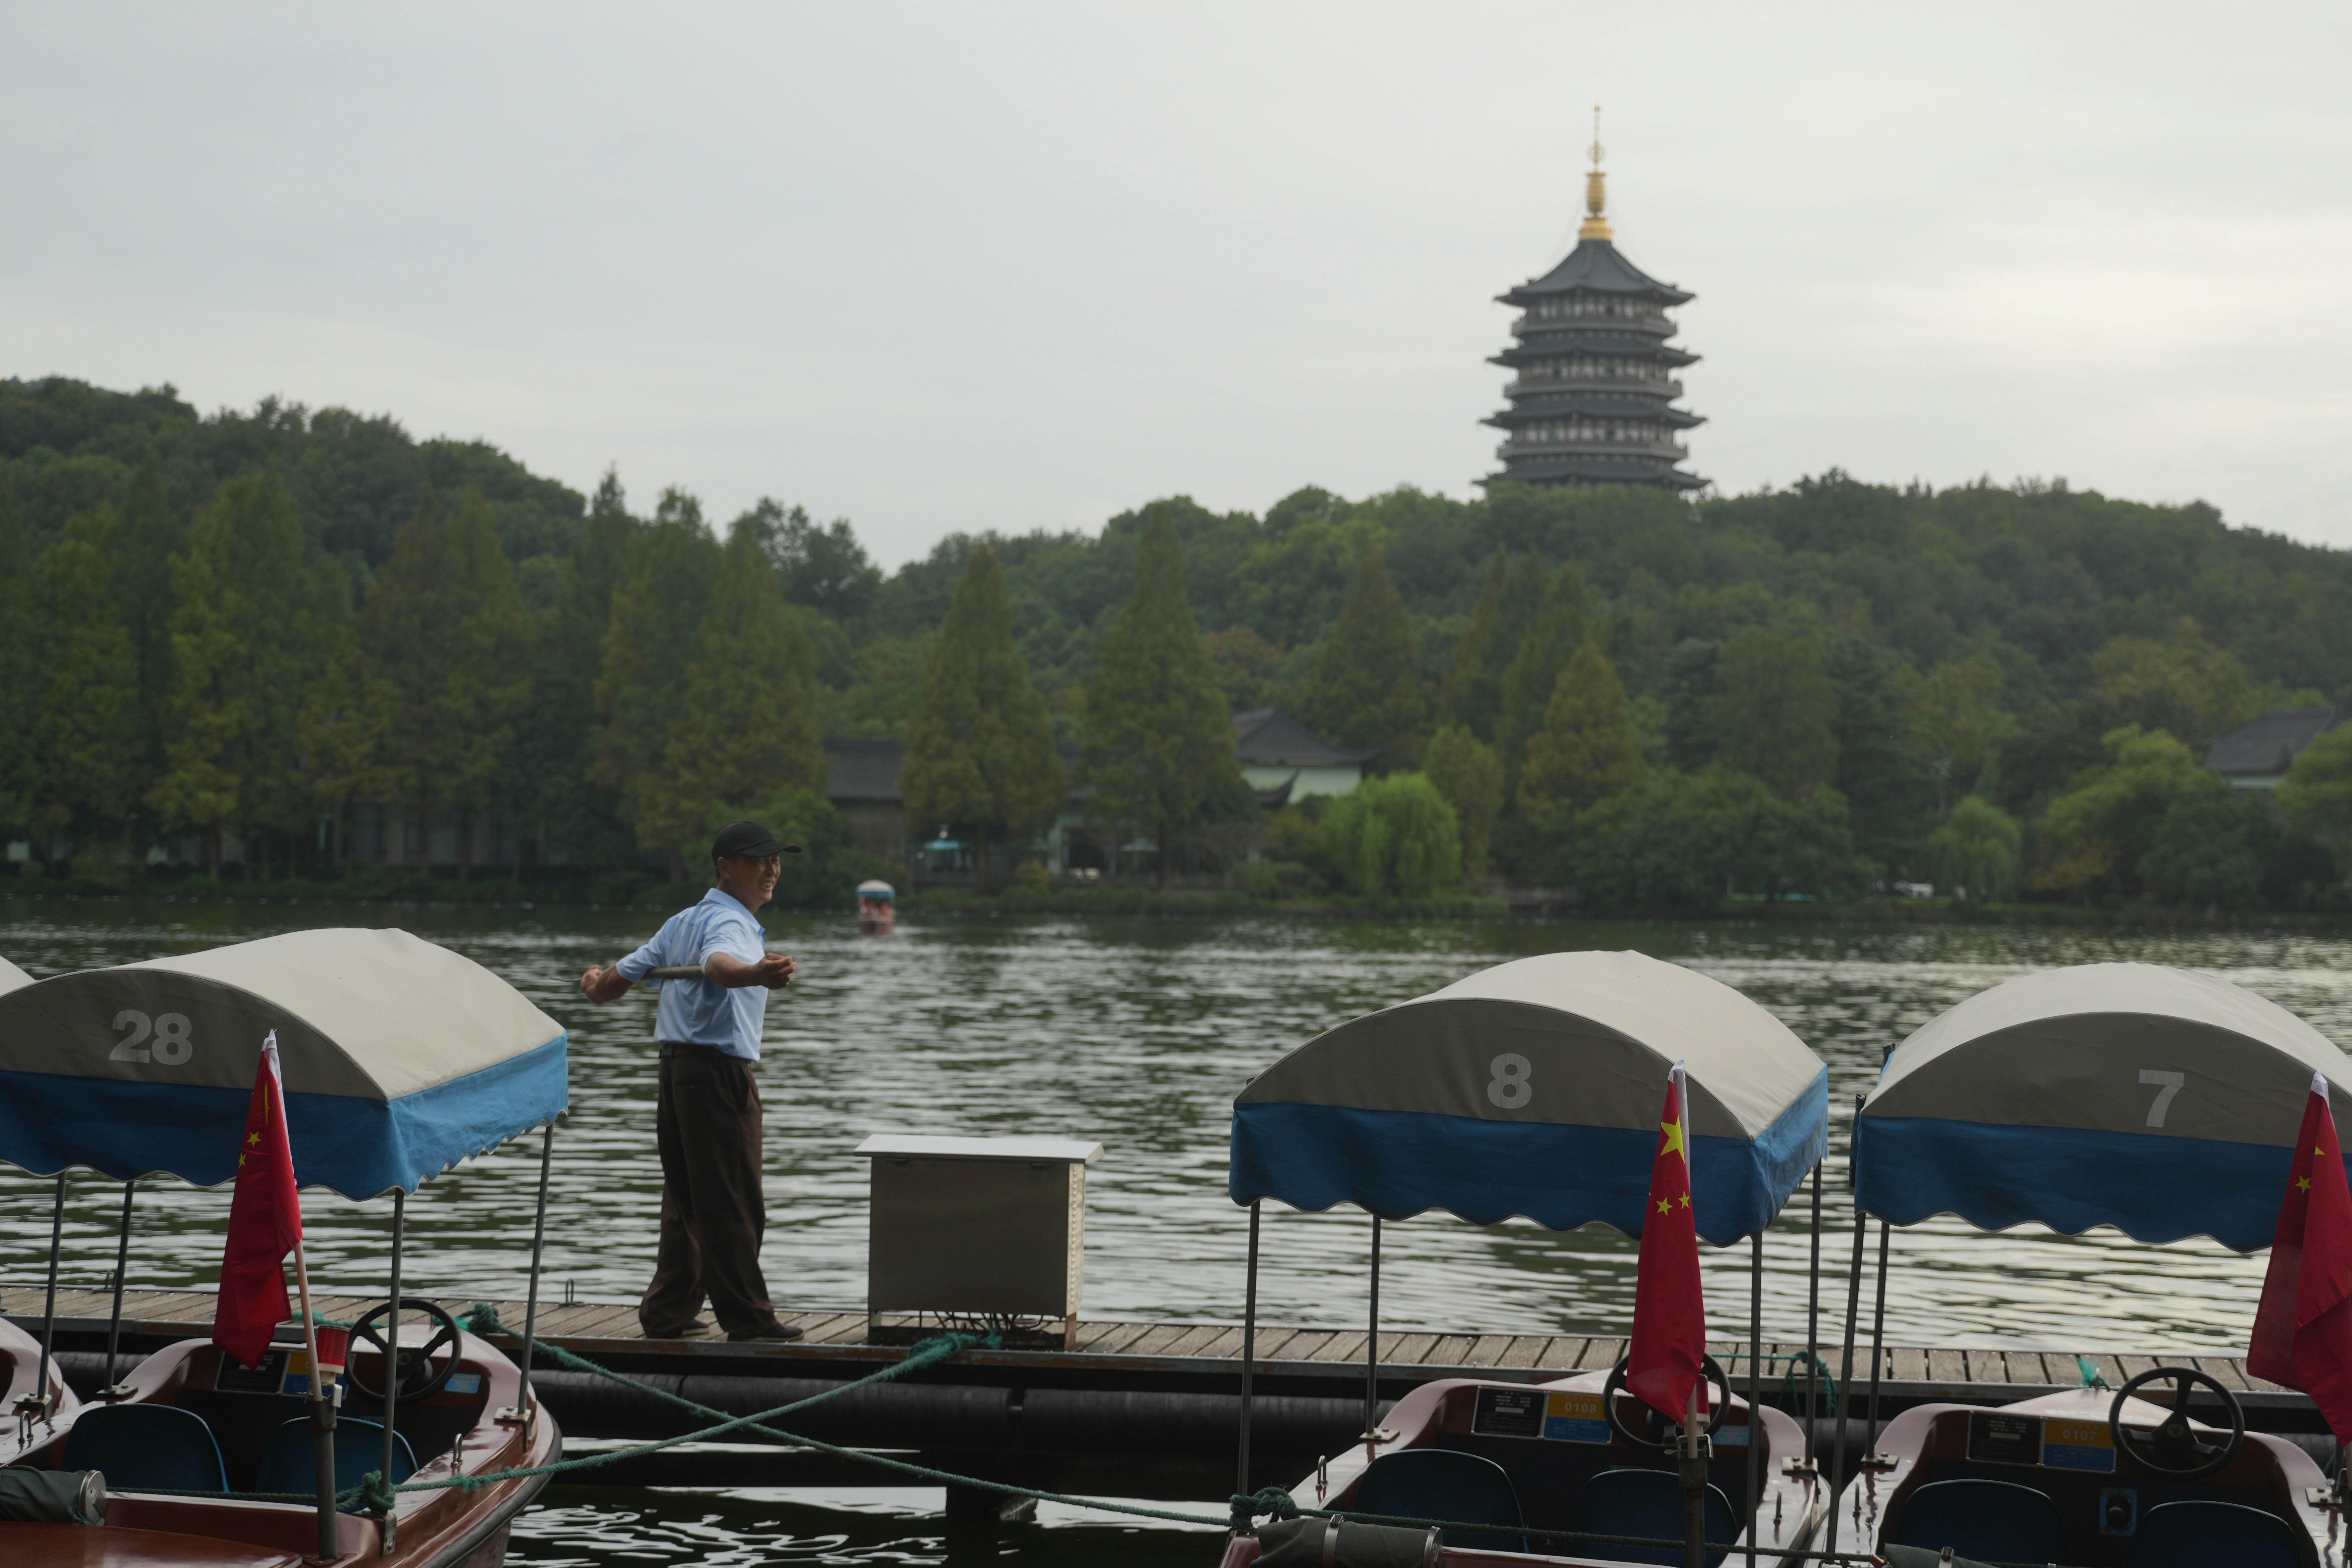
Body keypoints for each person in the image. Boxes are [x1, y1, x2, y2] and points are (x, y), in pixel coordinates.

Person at [578, 819, 805, 1342]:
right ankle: (749, 1320)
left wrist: (593, 983)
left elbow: (613, 985)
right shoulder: (732, 925)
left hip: (677, 1075)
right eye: (759, 859)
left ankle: (668, 1313)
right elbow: (720, 966)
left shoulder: (680, 922)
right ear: (726, 868)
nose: (772, 869)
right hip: (718, 1075)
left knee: (688, 1201)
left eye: (776, 859)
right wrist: (758, 974)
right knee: (732, 1200)